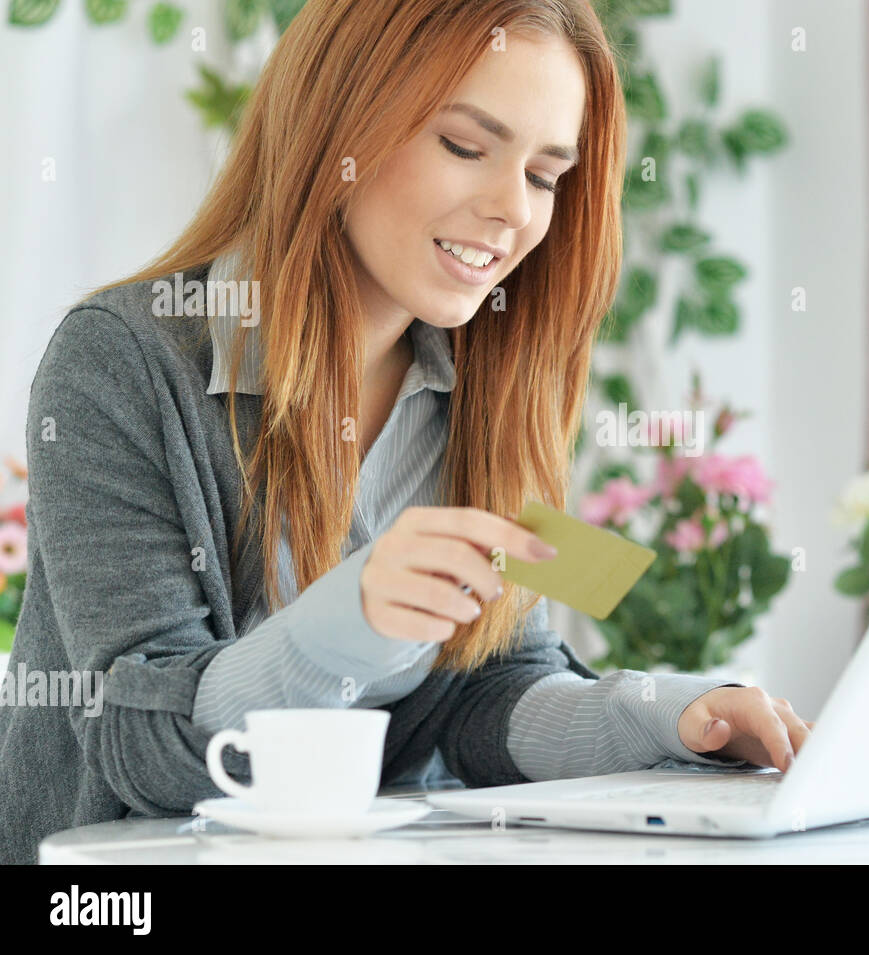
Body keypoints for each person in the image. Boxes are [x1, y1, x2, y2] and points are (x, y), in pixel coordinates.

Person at [0, 0, 812, 865]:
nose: (512, 211)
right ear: (340, 120)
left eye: (544, 175)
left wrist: (668, 714)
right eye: (466, 146)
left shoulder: (484, 390)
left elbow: (490, 694)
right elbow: (141, 743)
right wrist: (348, 620)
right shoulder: (120, 363)